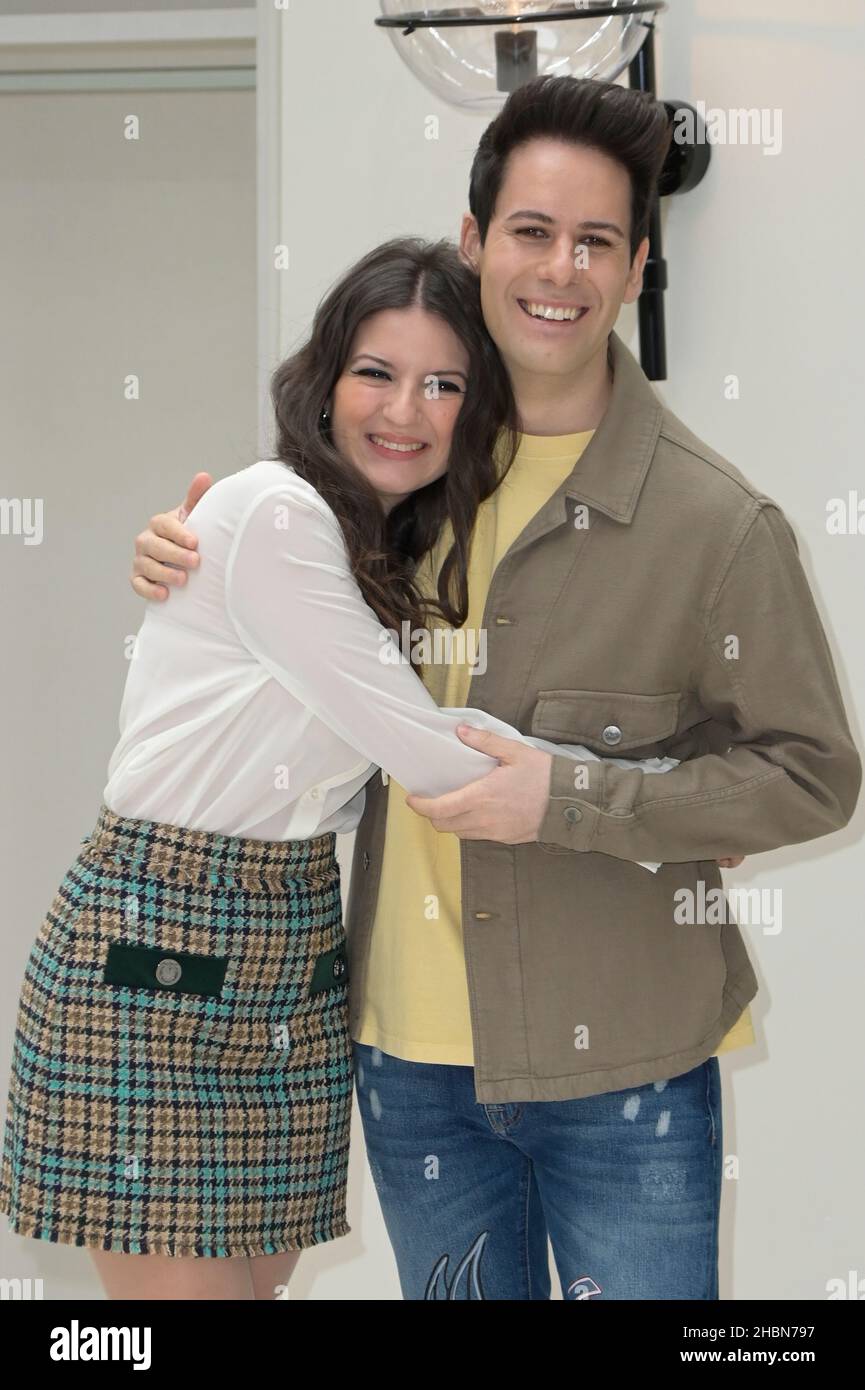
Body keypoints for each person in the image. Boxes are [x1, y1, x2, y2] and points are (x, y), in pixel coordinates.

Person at [128, 76, 861, 1301]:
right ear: (474, 245)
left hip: (626, 1069)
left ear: (635, 267)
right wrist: (181, 556)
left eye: (595, 242)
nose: (558, 269)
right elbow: (266, 621)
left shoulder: (717, 525)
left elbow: (810, 774)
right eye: (530, 232)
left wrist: (581, 799)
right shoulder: (385, 474)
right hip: (404, 1058)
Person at [2, 236, 657, 1301]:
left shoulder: (386, 553)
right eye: (377, 373)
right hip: (158, 946)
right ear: (323, 380)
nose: (405, 411)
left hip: (296, 948)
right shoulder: (275, 512)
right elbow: (426, 755)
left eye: (444, 383)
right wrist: (645, 799)